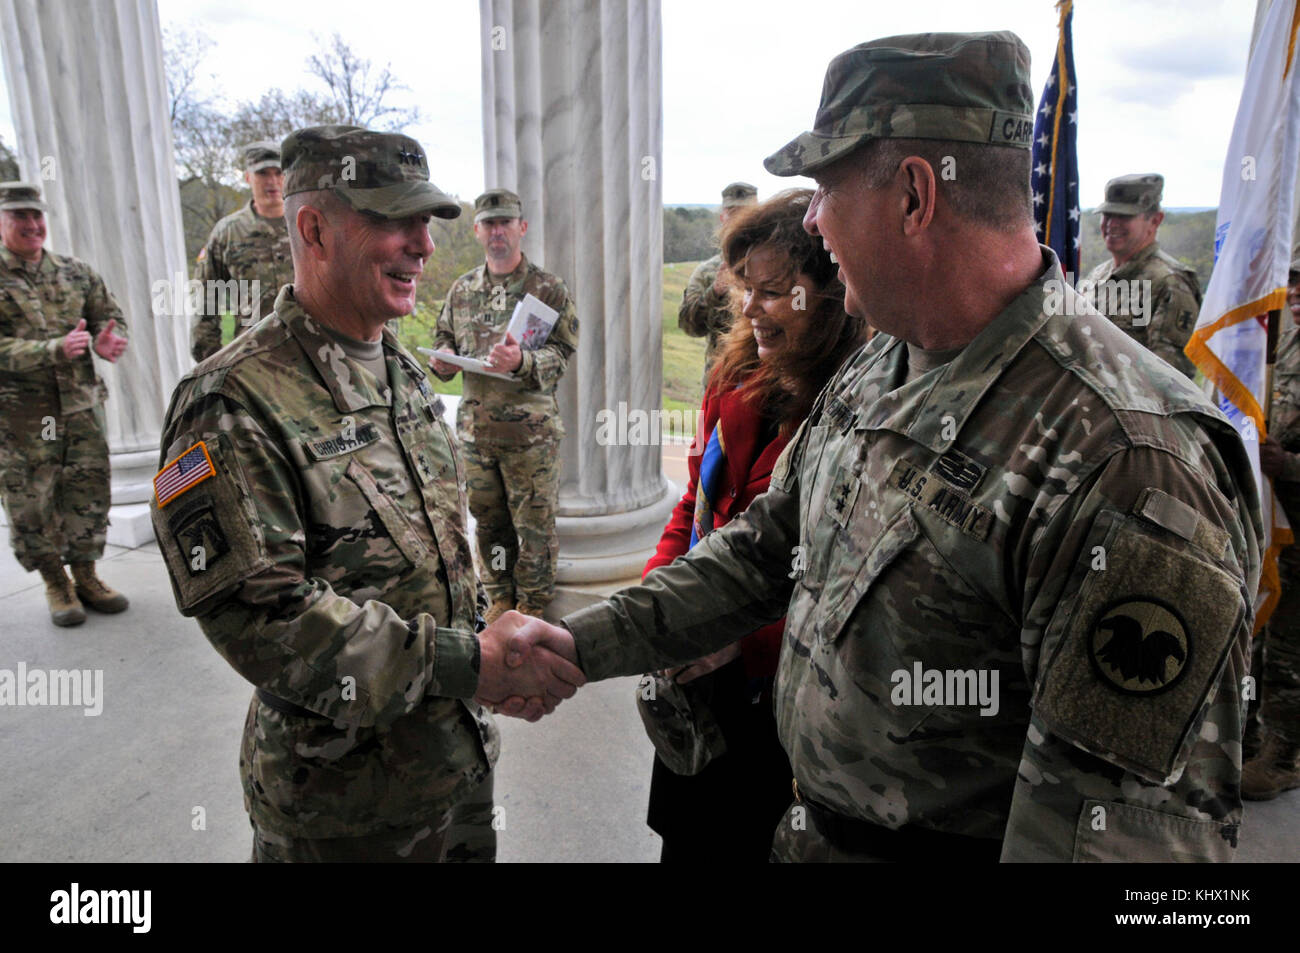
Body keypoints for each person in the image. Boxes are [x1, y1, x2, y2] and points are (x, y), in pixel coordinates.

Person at [503, 31, 1263, 863]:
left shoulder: (1129, 461)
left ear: (913, 196)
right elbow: (765, 549)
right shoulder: (884, 355)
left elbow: (1123, 848)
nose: (816, 219)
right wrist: (583, 643)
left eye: (827, 188)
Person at [149, 126, 583, 863]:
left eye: (427, 222)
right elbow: (263, 617)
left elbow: (442, 552)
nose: (422, 244)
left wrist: (486, 643)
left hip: (455, 767)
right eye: (393, 220)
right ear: (314, 227)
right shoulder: (229, 402)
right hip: (343, 812)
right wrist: (465, 661)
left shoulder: (403, 371)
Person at [645, 189, 869, 862]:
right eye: (744, 287)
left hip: (786, 706)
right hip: (703, 685)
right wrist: (663, 601)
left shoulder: (860, 399)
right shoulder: (738, 372)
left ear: (827, 293)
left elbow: (842, 576)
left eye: (771, 291)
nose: (747, 308)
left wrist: (734, 638)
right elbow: (695, 504)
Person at [429, 188, 579, 621]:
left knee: (533, 527)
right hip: (476, 435)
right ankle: (499, 599)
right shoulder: (461, 290)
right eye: (489, 223)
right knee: (490, 524)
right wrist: (441, 360)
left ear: (521, 228)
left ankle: (531, 607)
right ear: (477, 231)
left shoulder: (547, 288)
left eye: (505, 222)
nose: (497, 231)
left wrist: (523, 361)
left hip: (531, 436)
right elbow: (445, 338)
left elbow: (563, 353)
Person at [0, 181, 130, 626]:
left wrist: (109, 339)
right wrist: (50, 351)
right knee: (32, 500)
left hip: (80, 408)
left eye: (37, 216)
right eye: (20, 217)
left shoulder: (75, 271)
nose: (32, 225)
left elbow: (107, 316)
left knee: (88, 493)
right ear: (2, 222)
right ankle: (56, 582)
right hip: (20, 417)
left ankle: (87, 575)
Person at [1246, 254, 1300, 799]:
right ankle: (1253, 732)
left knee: (1290, 644)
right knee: (1265, 627)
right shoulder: (1285, 344)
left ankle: (1285, 754)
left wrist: (1291, 467)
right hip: (1277, 512)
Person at [1078, 174, 1202, 379]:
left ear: (1155, 221)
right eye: (1107, 215)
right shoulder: (1096, 277)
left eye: (1124, 216)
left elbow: (1170, 379)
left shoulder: (1169, 283)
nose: (1111, 224)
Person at [190, 140, 293, 362]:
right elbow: (208, 297)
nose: (272, 181)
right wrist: (211, 361)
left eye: (278, 173)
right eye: (263, 173)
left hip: (312, 354)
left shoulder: (308, 225)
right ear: (248, 177)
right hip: (254, 357)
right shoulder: (228, 232)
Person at [678, 182, 758, 383]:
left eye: (746, 213)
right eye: (734, 213)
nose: (740, 220)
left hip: (767, 383)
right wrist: (715, 292)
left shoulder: (780, 266)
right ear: (723, 217)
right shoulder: (707, 272)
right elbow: (688, 325)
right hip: (721, 381)